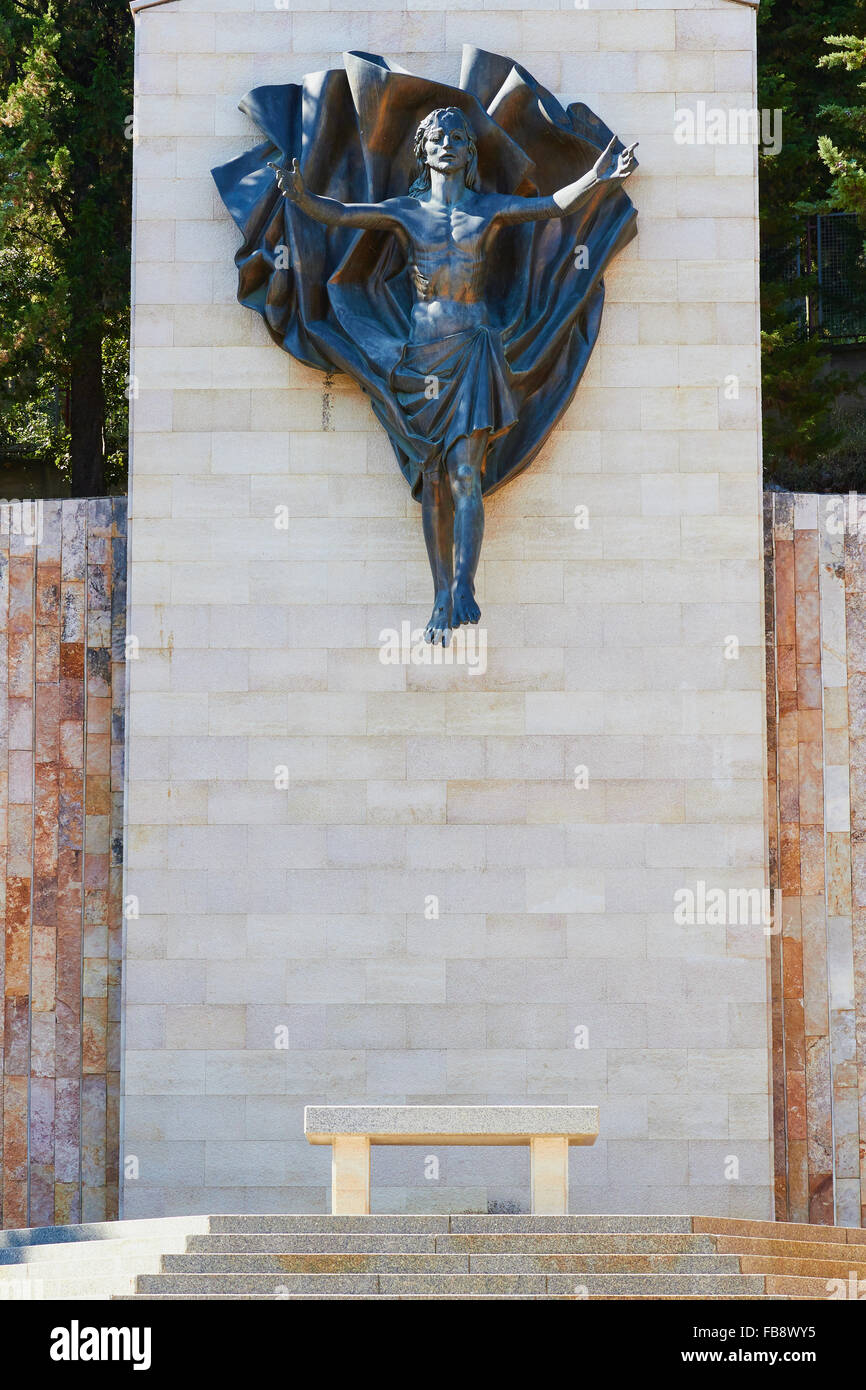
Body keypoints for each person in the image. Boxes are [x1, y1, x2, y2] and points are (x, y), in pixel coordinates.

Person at [272, 108, 637, 643]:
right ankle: (440, 594)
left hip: (472, 349)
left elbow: (552, 205)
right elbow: (342, 214)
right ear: (423, 150)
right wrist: (300, 196)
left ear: (469, 152)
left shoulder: (487, 211)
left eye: (456, 138)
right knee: (434, 480)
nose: (446, 144)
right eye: (436, 137)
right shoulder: (405, 212)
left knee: (465, 474)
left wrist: (599, 179)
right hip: (422, 359)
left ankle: (463, 587)